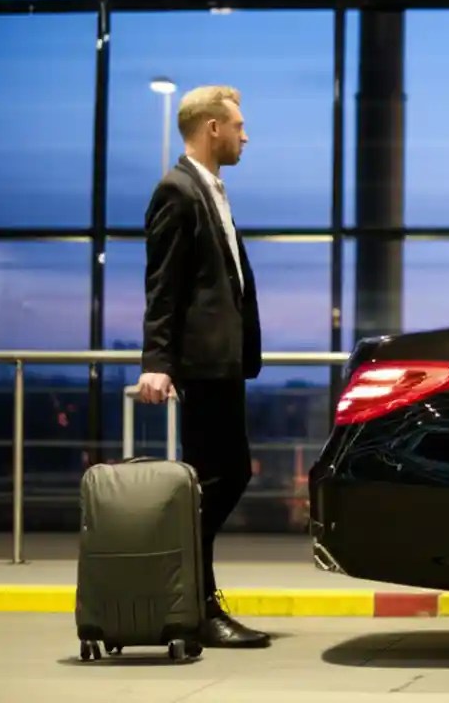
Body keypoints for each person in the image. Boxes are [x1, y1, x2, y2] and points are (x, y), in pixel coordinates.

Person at [134, 85, 268, 649]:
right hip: (201, 362)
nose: (245, 134)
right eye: (238, 124)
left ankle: (189, 594)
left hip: (224, 362)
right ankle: (193, 599)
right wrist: (157, 361)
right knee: (221, 474)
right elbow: (164, 283)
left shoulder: (212, 190)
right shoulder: (178, 190)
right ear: (211, 127)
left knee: (227, 473)